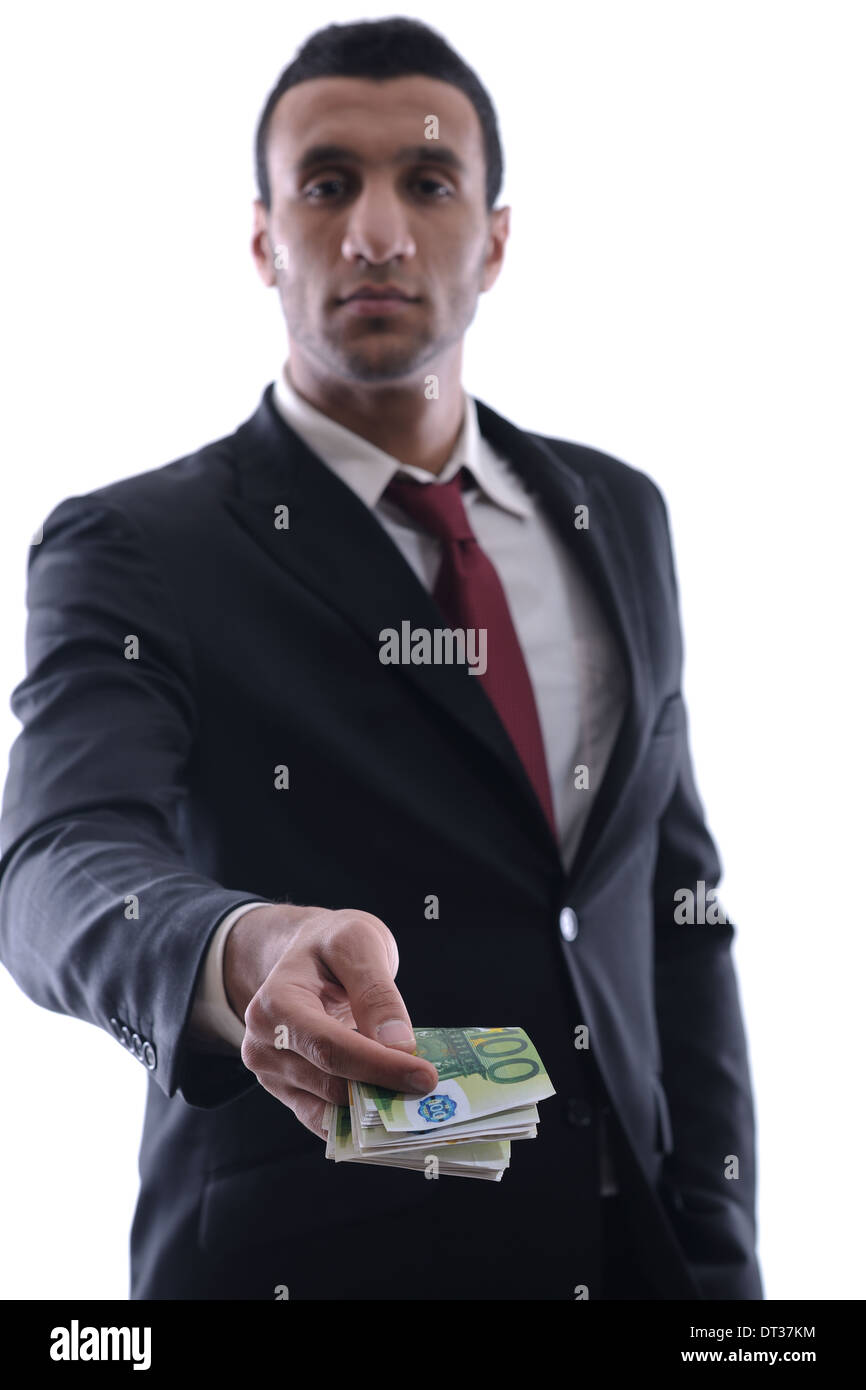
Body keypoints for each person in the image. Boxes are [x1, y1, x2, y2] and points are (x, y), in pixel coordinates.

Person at [0, 17, 762, 1301]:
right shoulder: (139, 544)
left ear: (496, 237)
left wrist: (723, 1269)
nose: (373, 233)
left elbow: (671, 919)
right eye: (326, 184)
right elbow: (56, 860)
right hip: (308, 1261)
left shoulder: (615, 513)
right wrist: (235, 948)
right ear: (262, 238)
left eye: (426, 182)